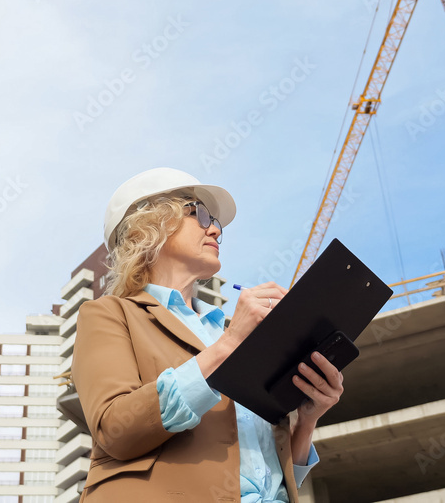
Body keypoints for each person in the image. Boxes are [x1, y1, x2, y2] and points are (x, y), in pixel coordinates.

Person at [72, 167, 345, 502]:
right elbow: (114, 429)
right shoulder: (110, 314)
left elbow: (268, 469)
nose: (215, 229)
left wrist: (306, 420)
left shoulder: (230, 330)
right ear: (148, 227)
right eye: (199, 214)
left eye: (214, 221)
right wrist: (229, 346)